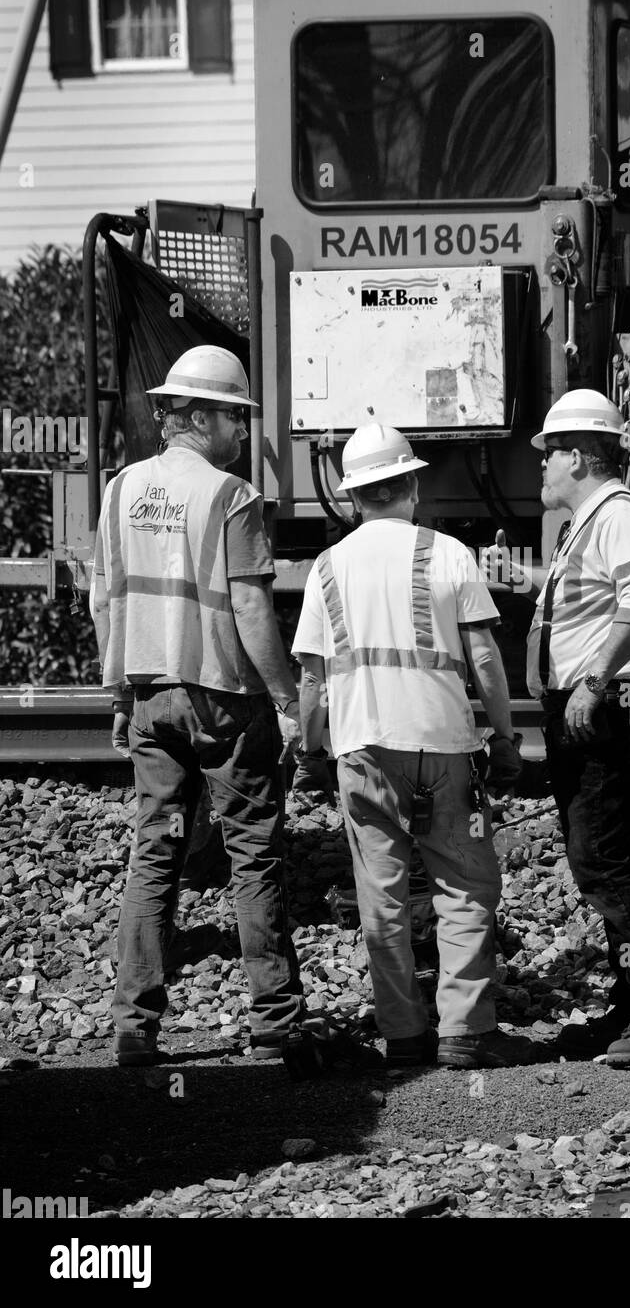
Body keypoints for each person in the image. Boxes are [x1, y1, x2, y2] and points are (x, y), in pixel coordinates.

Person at [90, 345, 310, 1066]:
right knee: (254, 854)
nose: (243, 433)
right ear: (201, 417)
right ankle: (274, 1025)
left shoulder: (121, 489)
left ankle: (133, 1025)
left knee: (154, 854)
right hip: (222, 698)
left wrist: (119, 689)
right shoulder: (232, 496)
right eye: (236, 418)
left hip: (150, 693)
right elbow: (250, 607)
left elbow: (104, 599)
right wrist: (285, 698)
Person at [291, 423, 528, 1070]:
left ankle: (403, 1035)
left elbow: (312, 680)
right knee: (465, 882)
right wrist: (503, 738)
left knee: (382, 894)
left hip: (362, 747)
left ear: (352, 498)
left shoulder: (327, 567)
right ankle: (466, 1030)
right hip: (441, 743)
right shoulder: (447, 552)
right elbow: (484, 656)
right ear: (412, 484)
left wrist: (312, 752)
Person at [483, 389, 630, 1066]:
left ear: (577, 456)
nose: (541, 468)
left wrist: (595, 679)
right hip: (589, 711)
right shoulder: (594, 521)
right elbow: (594, 591)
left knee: (599, 860)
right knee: (608, 858)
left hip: (605, 712)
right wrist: (527, 580)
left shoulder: (621, 515)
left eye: (548, 455)